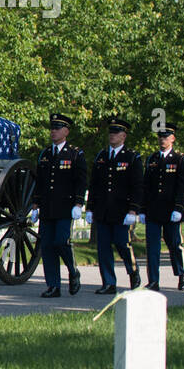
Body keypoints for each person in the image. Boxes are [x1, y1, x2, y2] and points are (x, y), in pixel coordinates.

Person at [86, 116, 144, 294]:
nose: (112, 135)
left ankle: (133, 271)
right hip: (103, 210)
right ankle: (109, 283)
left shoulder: (132, 157)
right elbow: (94, 184)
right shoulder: (102, 157)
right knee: (103, 249)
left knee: (122, 244)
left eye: (116, 132)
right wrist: (89, 208)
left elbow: (137, 186)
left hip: (122, 211)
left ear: (124, 136)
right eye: (111, 132)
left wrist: (133, 209)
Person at [31, 113, 86, 298]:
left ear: (66, 131)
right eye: (52, 128)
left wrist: (79, 203)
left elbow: (80, 180)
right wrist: (35, 205)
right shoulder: (45, 154)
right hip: (47, 207)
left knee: (61, 242)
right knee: (47, 246)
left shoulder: (75, 153)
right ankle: (53, 285)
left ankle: (73, 270)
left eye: (57, 128)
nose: (53, 131)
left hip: (65, 207)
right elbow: (40, 182)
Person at [141, 123, 184, 291]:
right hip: (154, 210)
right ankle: (153, 280)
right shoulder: (152, 159)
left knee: (175, 244)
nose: (162, 139)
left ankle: (182, 274)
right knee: (152, 247)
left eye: (166, 136)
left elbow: (183, 186)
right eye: (160, 137)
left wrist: (178, 208)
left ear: (173, 138)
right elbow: (146, 186)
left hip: (171, 211)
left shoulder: (180, 159)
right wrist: (142, 209)